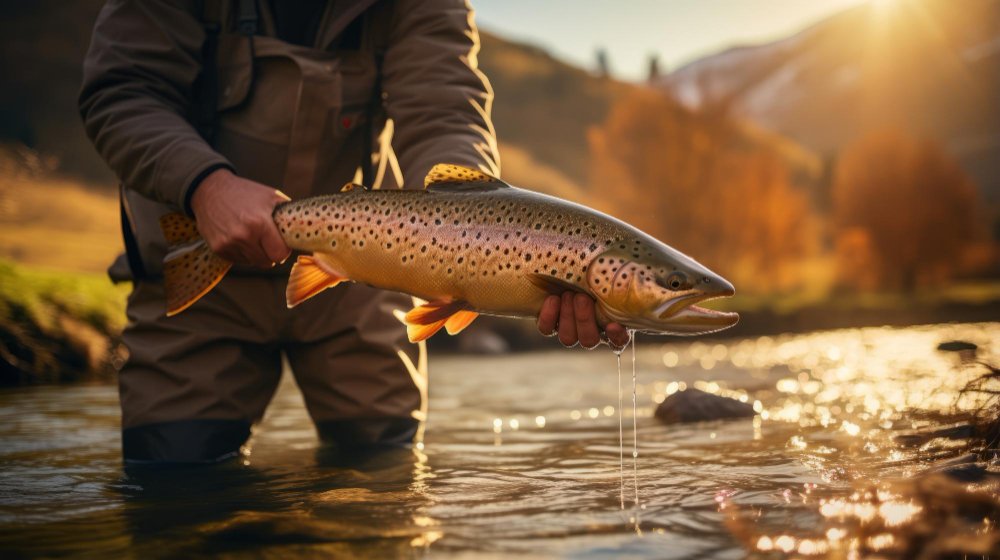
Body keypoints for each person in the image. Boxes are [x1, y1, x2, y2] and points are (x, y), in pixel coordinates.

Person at [80, 0, 629, 465]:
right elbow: (122, 93)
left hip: (366, 271)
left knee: (384, 477)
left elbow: (443, 112)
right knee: (176, 485)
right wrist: (206, 187)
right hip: (198, 254)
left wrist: (475, 235)